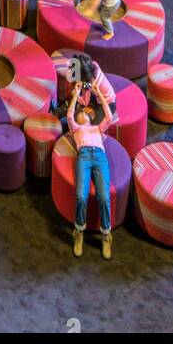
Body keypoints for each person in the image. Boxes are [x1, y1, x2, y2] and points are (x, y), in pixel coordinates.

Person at [66, 83, 114, 259]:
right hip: (84, 156)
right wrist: (76, 93)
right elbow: (69, 114)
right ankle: (79, 231)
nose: (81, 115)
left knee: (104, 197)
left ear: (89, 118)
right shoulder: (76, 129)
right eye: (79, 114)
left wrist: (99, 92)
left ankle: (106, 235)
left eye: (84, 114)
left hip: (100, 157)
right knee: (81, 195)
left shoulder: (97, 128)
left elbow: (109, 116)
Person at [52, 53, 117, 130]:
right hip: (99, 94)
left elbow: (85, 102)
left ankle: (64, 119)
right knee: (77, 93)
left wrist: (75, 95)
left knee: (92, 127)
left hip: (108, 105)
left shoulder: (88, 85)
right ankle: (60, 112)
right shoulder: (94, 65)